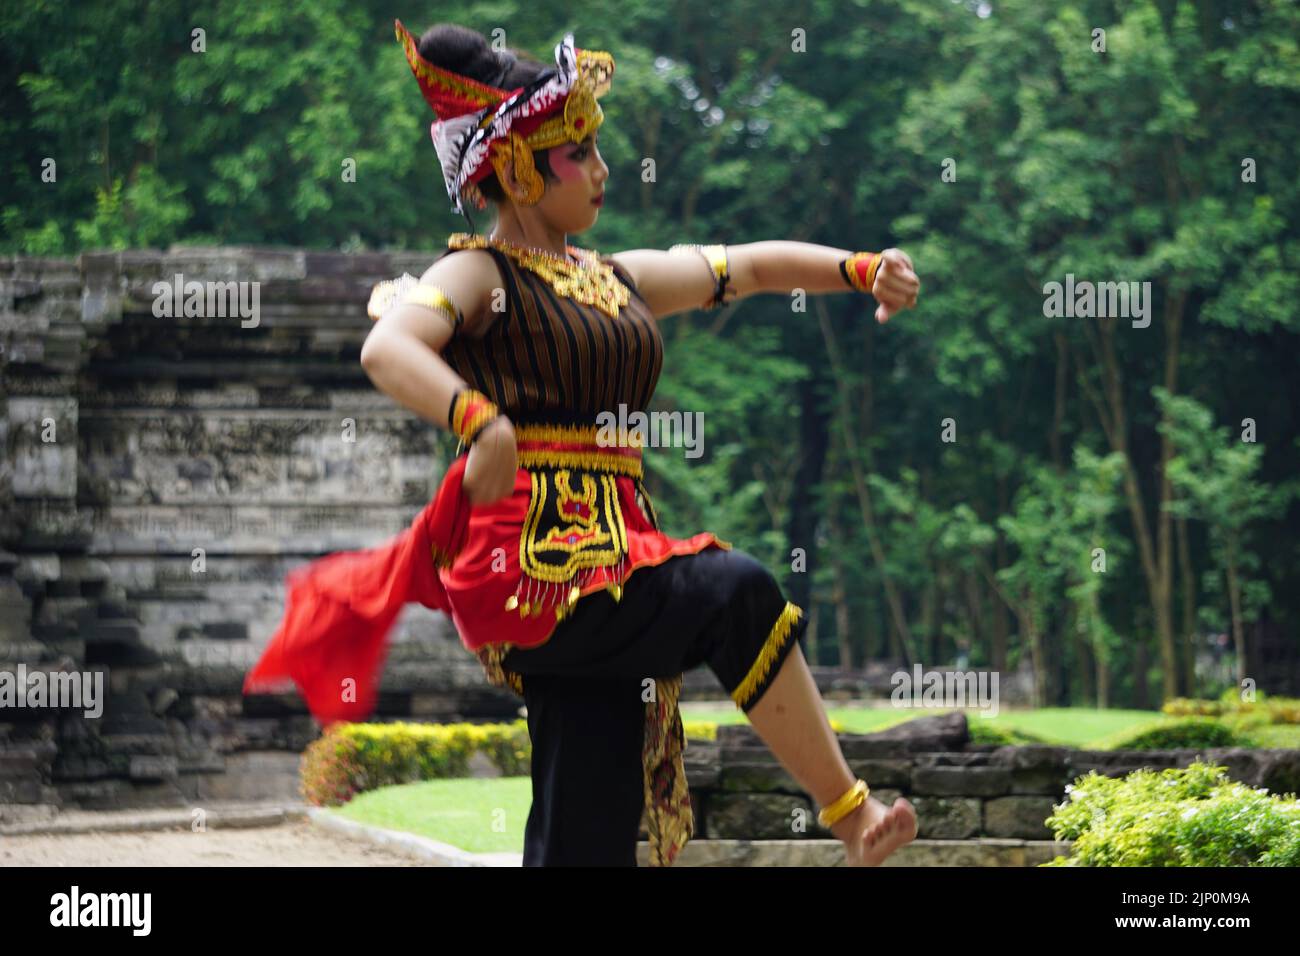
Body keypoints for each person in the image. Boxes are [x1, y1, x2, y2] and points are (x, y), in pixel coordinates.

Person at [245, 20, 921, 867]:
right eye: (581, 153)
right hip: (535, 567)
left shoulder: (617, 278)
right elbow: (389, 348)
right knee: (735, 589)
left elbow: (742, 268)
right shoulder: (479, 275)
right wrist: (477, 419)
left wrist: (860, 269)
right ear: (522, 167)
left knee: (585, 825)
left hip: (609, 564)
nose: (602, 172)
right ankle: (852, 816)